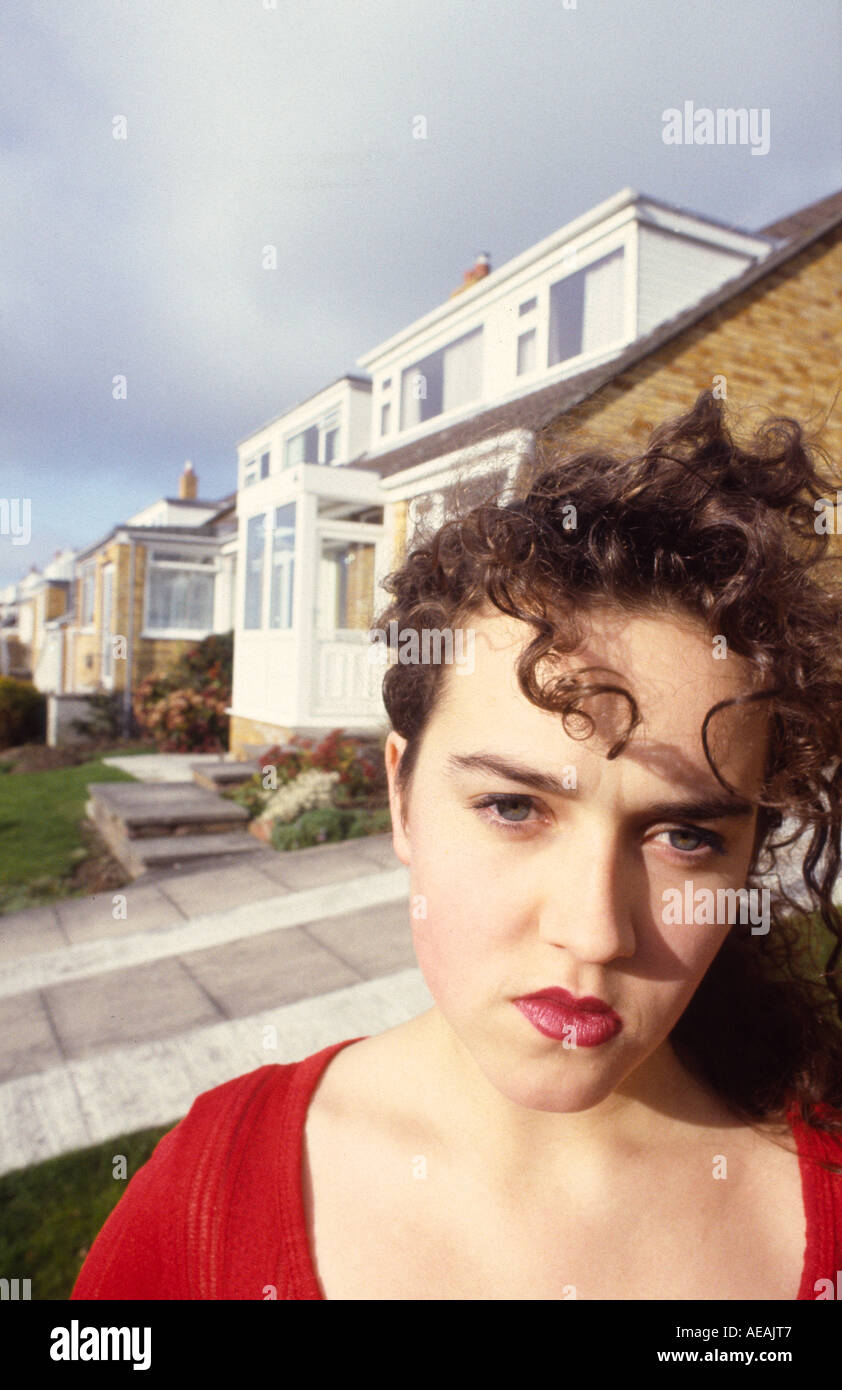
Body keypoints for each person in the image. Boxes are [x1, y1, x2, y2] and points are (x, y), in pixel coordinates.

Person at [72, 389, 842, 1300]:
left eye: (682, 834)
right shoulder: (207, 1201)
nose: (596, 934)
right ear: (403, 797)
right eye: (514, 808)